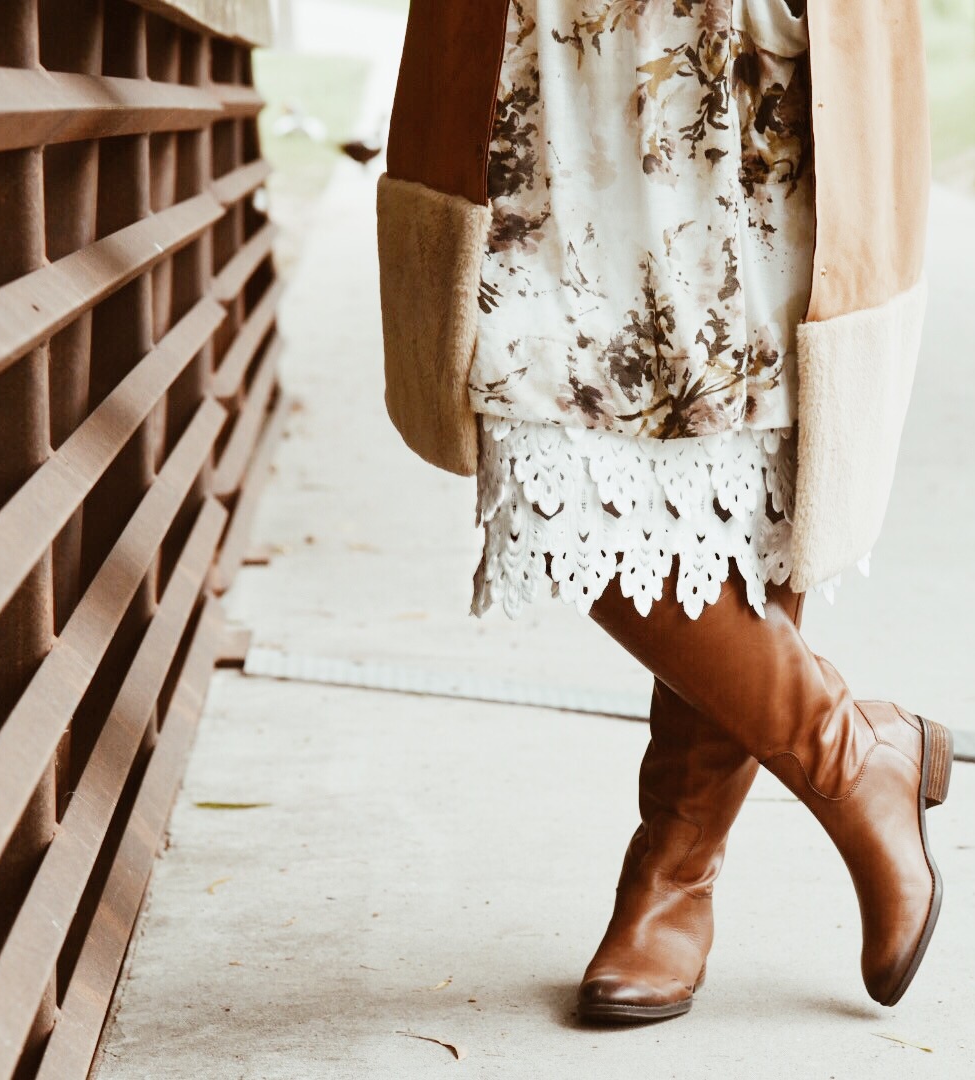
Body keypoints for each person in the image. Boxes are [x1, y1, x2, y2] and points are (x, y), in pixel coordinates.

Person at [378, 0, 943, 1022]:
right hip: (554, 54)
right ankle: (853, 759)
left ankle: (674, 875)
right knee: (552, 466)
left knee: (747, 468)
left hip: (744, 45)